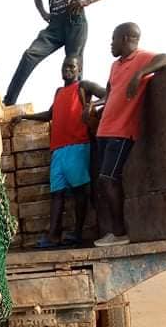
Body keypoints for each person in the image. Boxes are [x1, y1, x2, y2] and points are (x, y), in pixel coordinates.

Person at [3, 0, 113, 106]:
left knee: (73, 67)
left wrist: (86, 2)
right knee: (30, 55)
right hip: (54, 26)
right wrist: (44, 13)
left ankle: (75, 109)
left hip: (75, 24)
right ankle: (9, 101)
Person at [94, 23, 166, 247]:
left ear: (126, 38)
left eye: (113, 39)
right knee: (103, 181)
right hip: (104, 129)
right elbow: (110, 90)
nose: (110, 44)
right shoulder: (115, 65)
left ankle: (120, 233)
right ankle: (114, 231)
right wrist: (97, 104)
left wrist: (140, 74)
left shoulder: (141, 58)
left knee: (108, 179)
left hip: (121, 130)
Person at [13, 56, 105, 247]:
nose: (67, 70)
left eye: (72, 66)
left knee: (80, 191)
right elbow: (49, 115)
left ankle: (78, 233)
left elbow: (107, 93)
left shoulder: (84, 86)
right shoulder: (59, 92)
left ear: (78, 70)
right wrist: (24, 116)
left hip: (77, 146)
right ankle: (53, 235)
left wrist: (92, 106)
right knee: (57, 193)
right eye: (65, 66)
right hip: (58, 150)